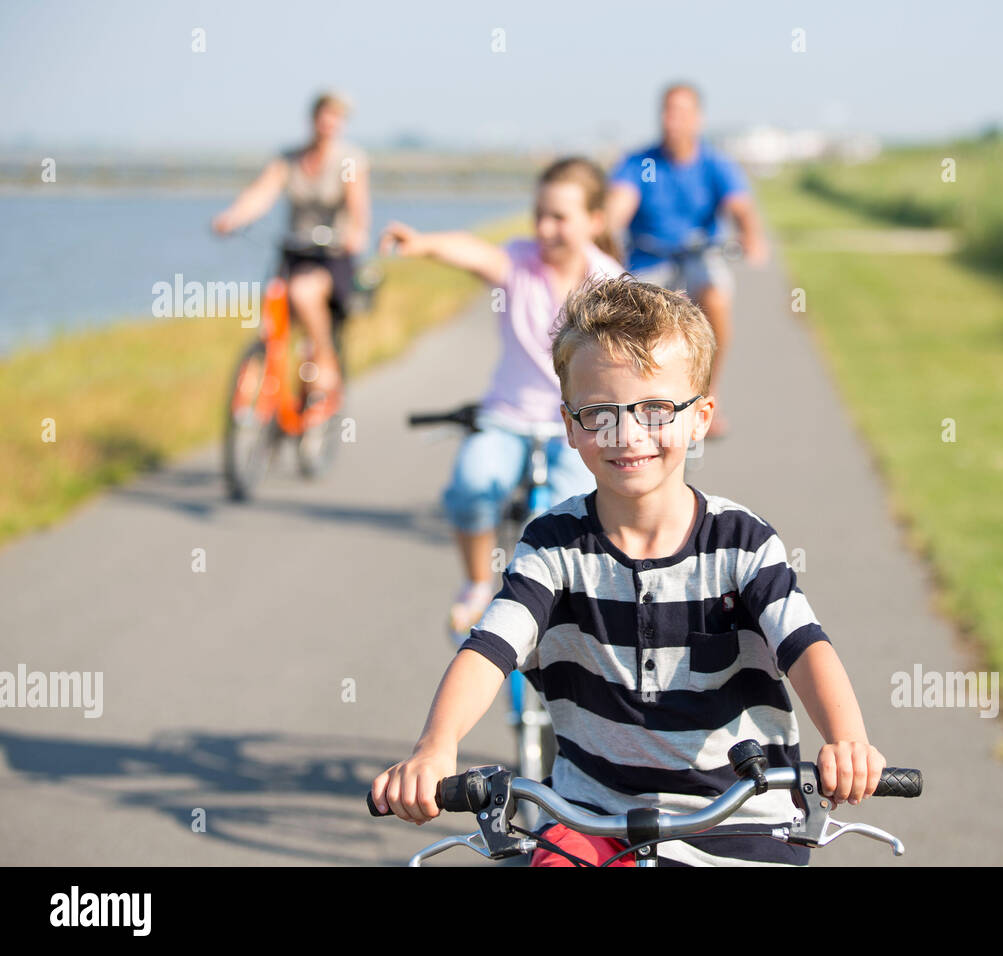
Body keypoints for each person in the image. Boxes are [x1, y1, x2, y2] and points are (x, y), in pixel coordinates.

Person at [371, 275, 886, 867]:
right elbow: (489, 649)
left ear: (700, 419)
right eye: (600, 413)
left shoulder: (741, 542)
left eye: (656, 410)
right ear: (569, 424)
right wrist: (437, 745)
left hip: (740, 818)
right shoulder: (553, 544)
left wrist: (847, 741)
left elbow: (804, 647)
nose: (627, 434)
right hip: (594, 816)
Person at [379, 157, 623, 638]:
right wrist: (424, 244)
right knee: (472, 484)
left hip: (577, 423)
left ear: (594, 222)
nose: (545, 228)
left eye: (560, 218)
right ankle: (475, 585)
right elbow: (471, 251)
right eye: (539, 215)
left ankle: (555, 614)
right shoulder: (518, 262)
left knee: (559, 517)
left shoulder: (612, 283)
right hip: (508, 415)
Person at [605, 82, 769, 439]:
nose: (671, 120)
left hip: (699, 255)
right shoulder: (640, 163)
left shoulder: (714, 164)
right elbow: (619, 204)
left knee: (714, 297)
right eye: (666, 111)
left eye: (680, 112)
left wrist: (751, 238)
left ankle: (707, 392)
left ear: (698, 118)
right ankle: (633, 398)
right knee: (633, 324)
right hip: (649, 257)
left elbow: (740, 207)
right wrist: (605, 232)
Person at [212, 91, 370, 409]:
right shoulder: (289, 160)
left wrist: (356, 233)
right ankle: (248, 408)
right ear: (312, 118)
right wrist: (234, 216)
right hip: (295, 251)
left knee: (303, 293)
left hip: (331, 255)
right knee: (268, 322)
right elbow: (262, 193)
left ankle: (325, 361)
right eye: (323, 114)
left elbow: (358, 209)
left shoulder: (349, 161)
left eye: (335, 116)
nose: (328, 122)